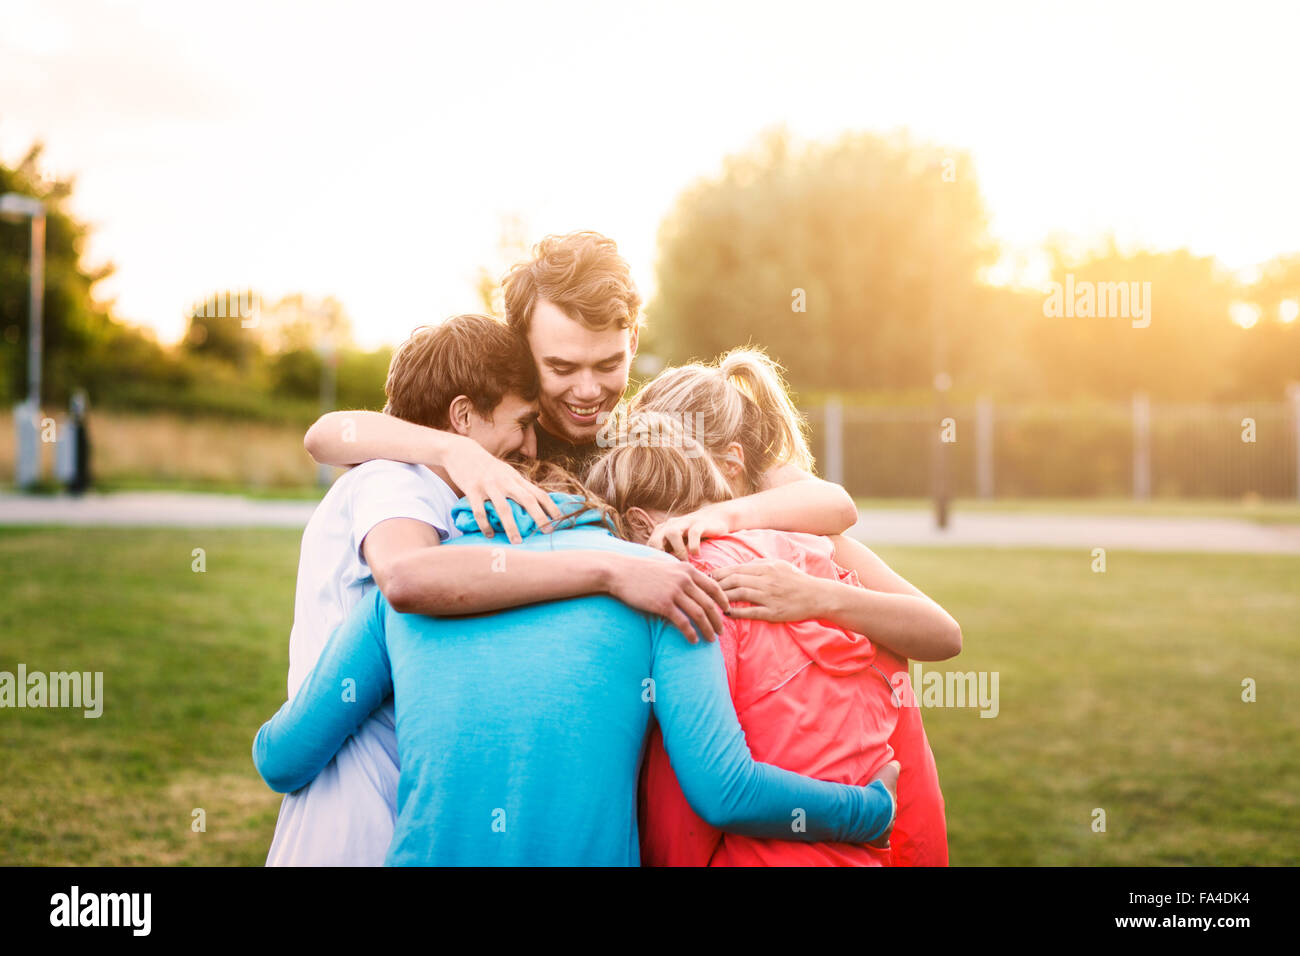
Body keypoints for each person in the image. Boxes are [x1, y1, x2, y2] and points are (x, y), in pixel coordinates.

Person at [253, 466, 901, 867]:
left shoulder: (413, 592)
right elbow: (724, 791)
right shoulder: (660, 586)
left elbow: (280, 759)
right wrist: (867, 809)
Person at [267, 313, 729, 866]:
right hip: (352, 805)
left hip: (385, 784)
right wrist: (608, 569)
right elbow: (407, 577)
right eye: (523, 423)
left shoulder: (420, 484)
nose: (531, 447)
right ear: (462, 416)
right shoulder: (393, 479)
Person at [300, 231, 860, 553]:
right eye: (562, 367)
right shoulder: (500, 438)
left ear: (633, 341)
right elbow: (327, 436)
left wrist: (724, 518)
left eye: (609, 364)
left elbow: (832, 503)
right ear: (524, 347)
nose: (589, 391)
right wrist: (453, 450)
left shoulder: (654, 430)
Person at [621, 351, 960, 865]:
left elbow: (944, 634)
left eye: (668, 473)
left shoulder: (805, 538)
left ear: (731, 467)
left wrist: (818, 596)